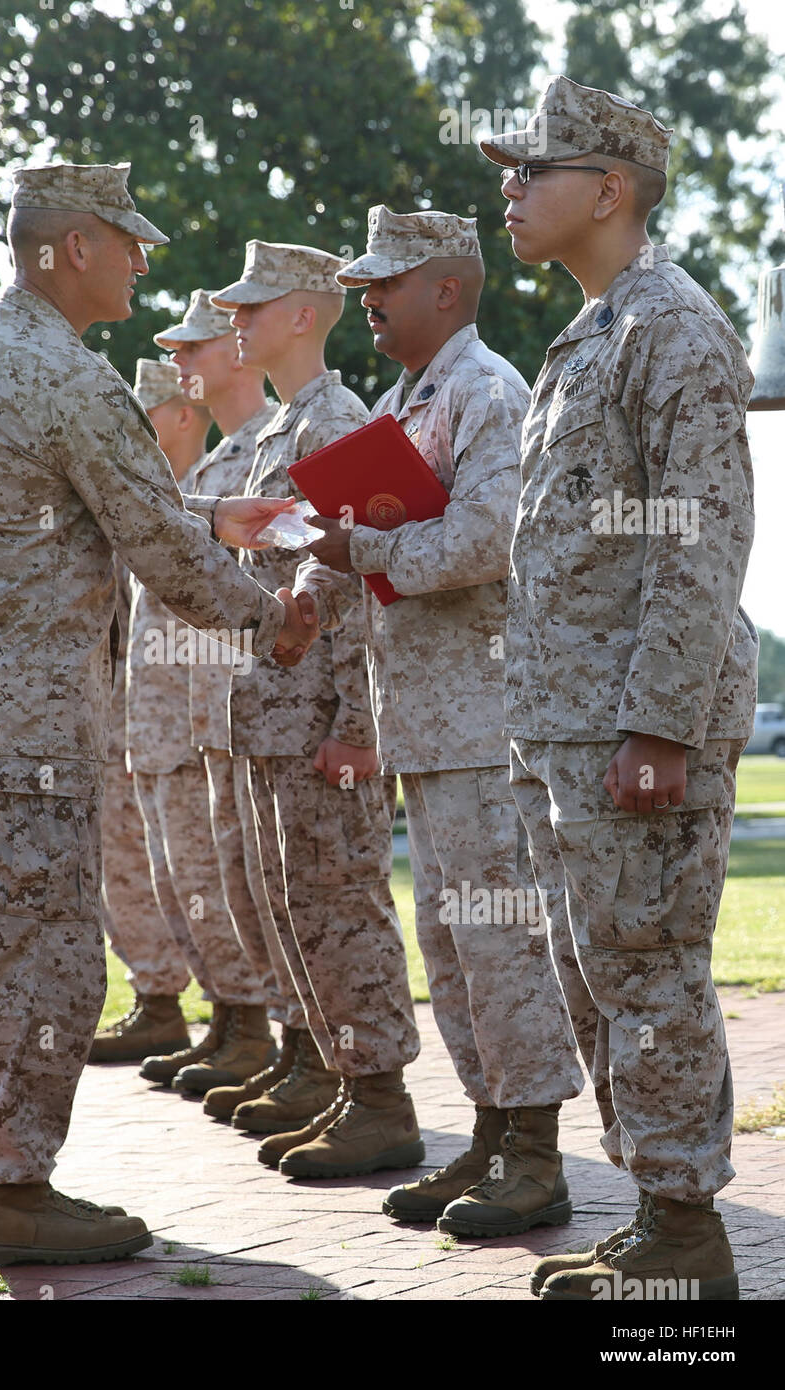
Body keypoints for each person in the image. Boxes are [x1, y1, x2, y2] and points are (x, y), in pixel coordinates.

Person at [0, 162, 318, 1267]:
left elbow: (79, 496)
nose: (142, 259)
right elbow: (155, 547)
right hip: (27, 722)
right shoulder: (68, 375)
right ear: (71, 246)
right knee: (46, 960)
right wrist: (268, 618)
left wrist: (214, 509)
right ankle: (14, 1185)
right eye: (126, 240)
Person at [481, 76, 757, 1300]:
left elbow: (696, 542)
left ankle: (686, 1237)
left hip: (632, 729)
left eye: (532, 171)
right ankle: (657, 1212)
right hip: (567, 724)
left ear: (609, 190)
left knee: (646, 968)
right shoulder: (590, 334)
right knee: (603, 970)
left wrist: (655, 727)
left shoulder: (670, 330)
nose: (509, 188)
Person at [299, 208, 586, 1232]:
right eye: (364, 284)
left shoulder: (485, 391)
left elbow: (486, 538)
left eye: (387, 283)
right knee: (452, 944)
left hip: (484, 720)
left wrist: (366, 553)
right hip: (427, 718)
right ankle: (489, 1133)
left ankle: (537, 1154)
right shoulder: (409, 397)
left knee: (499, 939)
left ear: (448, 291)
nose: (368, 300)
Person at [207, 241, 424, 1179]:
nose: (237, 322)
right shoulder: (277, 430)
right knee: (295, 903)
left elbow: (364, 583)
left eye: (255, 307)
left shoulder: (337, 422)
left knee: (343, 905)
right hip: (268, 712)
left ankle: (381, 1097)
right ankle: (330, 1070)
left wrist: (356, 721)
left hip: (319, 716)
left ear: (305, 313)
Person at [142, 290, 305, 1106]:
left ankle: (278, 1037)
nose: (181, 365)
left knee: (276, 890)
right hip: (203, 709)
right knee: (224, 885)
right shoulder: (219, 465)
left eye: (195, 348)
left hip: (259, 703)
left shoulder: (260, 451)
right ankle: (247, 1029)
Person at [124, 357, 276, 1095]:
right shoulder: (189, 486)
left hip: (205, 722)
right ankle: (230, 1019)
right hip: (164, 724)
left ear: (180, 414)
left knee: (223, 883)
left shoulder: (256, 454)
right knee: (183, 879)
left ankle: (254, 1027)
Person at [87, 542, 193, 1065]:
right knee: (121, 873)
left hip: (155, 727)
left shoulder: (161, 508)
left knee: (152, 870)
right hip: (123, 722)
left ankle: (193, 1010)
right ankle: (157, 1003)